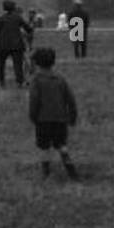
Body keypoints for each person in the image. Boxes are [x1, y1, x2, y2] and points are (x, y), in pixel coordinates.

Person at [27, 47, 79, 180]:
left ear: (37, 63)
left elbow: (34, 100)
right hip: (60, 119)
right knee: (62, 145)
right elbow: (71, 99)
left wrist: (33, 116)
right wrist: (72, 116)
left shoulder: (36, 80)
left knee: (44, 147)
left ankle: (45, 172)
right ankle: (71, 170)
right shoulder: (60, 79)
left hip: (43, 119)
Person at [0, 0, 32, 87]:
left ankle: (1, 81)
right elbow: (28, 28)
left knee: (0, 64)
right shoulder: (18, 18)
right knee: (18, 64)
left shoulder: (0, 19)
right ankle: (19, 81)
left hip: (3, 45)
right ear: (14, 8)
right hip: (17, 44)